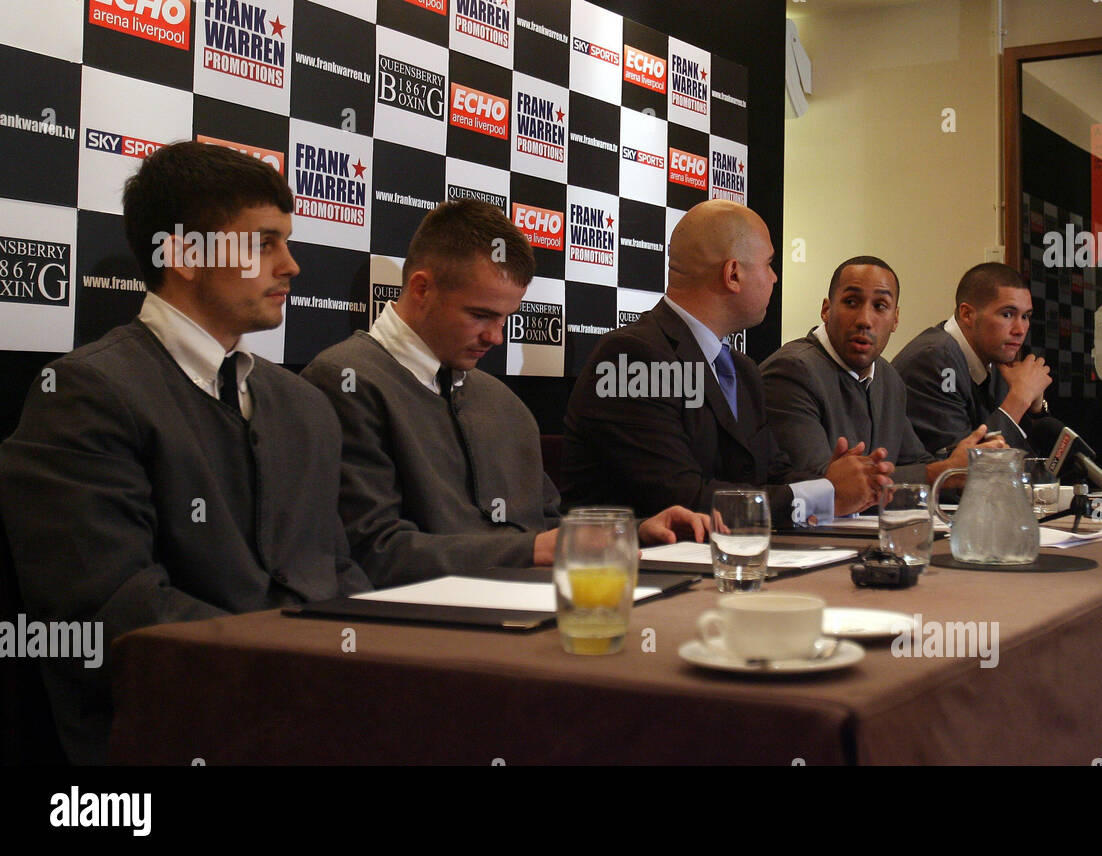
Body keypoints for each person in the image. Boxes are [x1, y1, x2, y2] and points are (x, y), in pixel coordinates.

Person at [0, 142, 371, 764]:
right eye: (263, 243)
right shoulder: (86, 394)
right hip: (174, 736)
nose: (292, 266)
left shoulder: (303, 405)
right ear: (183, 255)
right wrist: (310, 668)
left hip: (326, 719)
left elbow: (334, 570)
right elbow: (109, 615)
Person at [301, 200, 707, 587]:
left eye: (506, 318)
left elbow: (546, 528)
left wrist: (633, 534)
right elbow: (373, 554)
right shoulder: (345, 382)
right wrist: (529, 551)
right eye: (480, 315)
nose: (495, 337)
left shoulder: (502, 402)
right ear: (422, 289)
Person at [560, 200, 892, 525]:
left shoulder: (742, 370)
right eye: (768, 264)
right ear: (733, 274)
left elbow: (771, 471)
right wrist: (826, 494)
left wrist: (839, 481)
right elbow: (685, 501)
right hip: (637, 572)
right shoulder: (631, 357)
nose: (774, 278)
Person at [761, 256, 1005, 484]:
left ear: (895, 319)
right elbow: (824, 483)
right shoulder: (793, 371)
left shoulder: (887, 377)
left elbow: (917, 462)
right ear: (826, 310)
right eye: (851, 302)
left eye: (880, 306)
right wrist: (947, 471)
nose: (865, 319)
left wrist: (962, 464)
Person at [892, 262, 1050, 456]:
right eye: (1007, 314)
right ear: (967, 314)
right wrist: (1019, 397)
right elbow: (962, 468)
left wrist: (1035, 409)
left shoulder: (996, 359)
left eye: (1025, 316)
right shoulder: (934, 360)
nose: (1020, 330)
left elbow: (1035, 462)